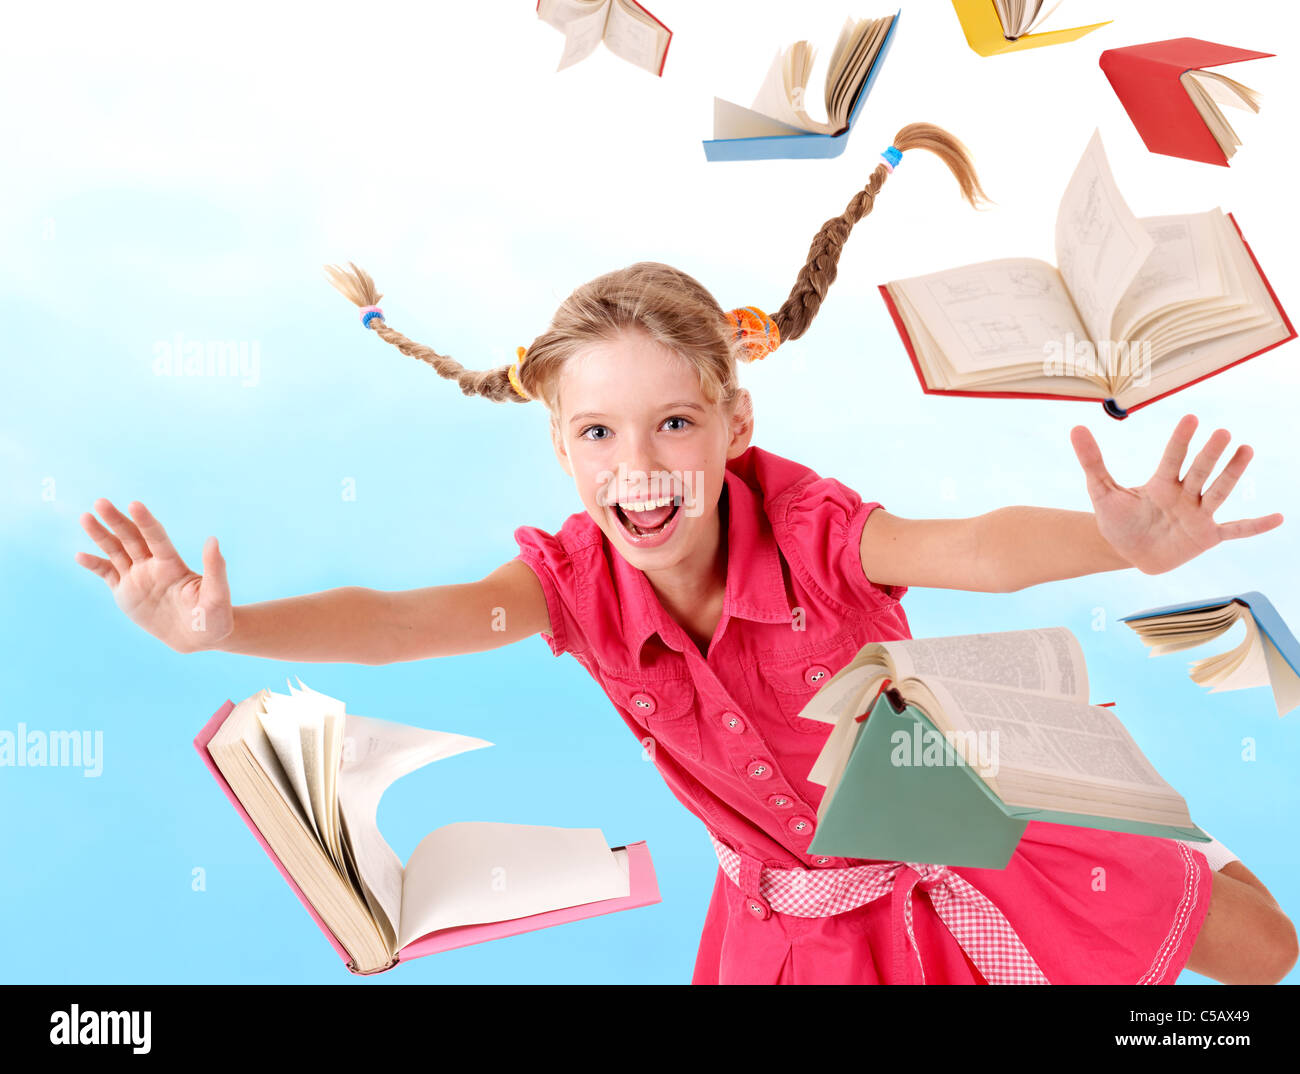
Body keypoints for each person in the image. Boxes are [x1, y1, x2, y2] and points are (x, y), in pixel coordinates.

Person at [77, 124, 1297, 984]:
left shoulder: (813, 533)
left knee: (1261, 954)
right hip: (797, 924)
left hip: (962, 820)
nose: (639, 465)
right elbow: (404, 621)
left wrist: (1117, 545)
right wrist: (227, 629)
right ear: (561, 449)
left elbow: (969, 547)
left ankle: (1142, 819)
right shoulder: (568, 589)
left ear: (733, 426)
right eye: (598, 434)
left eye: (673, 424)